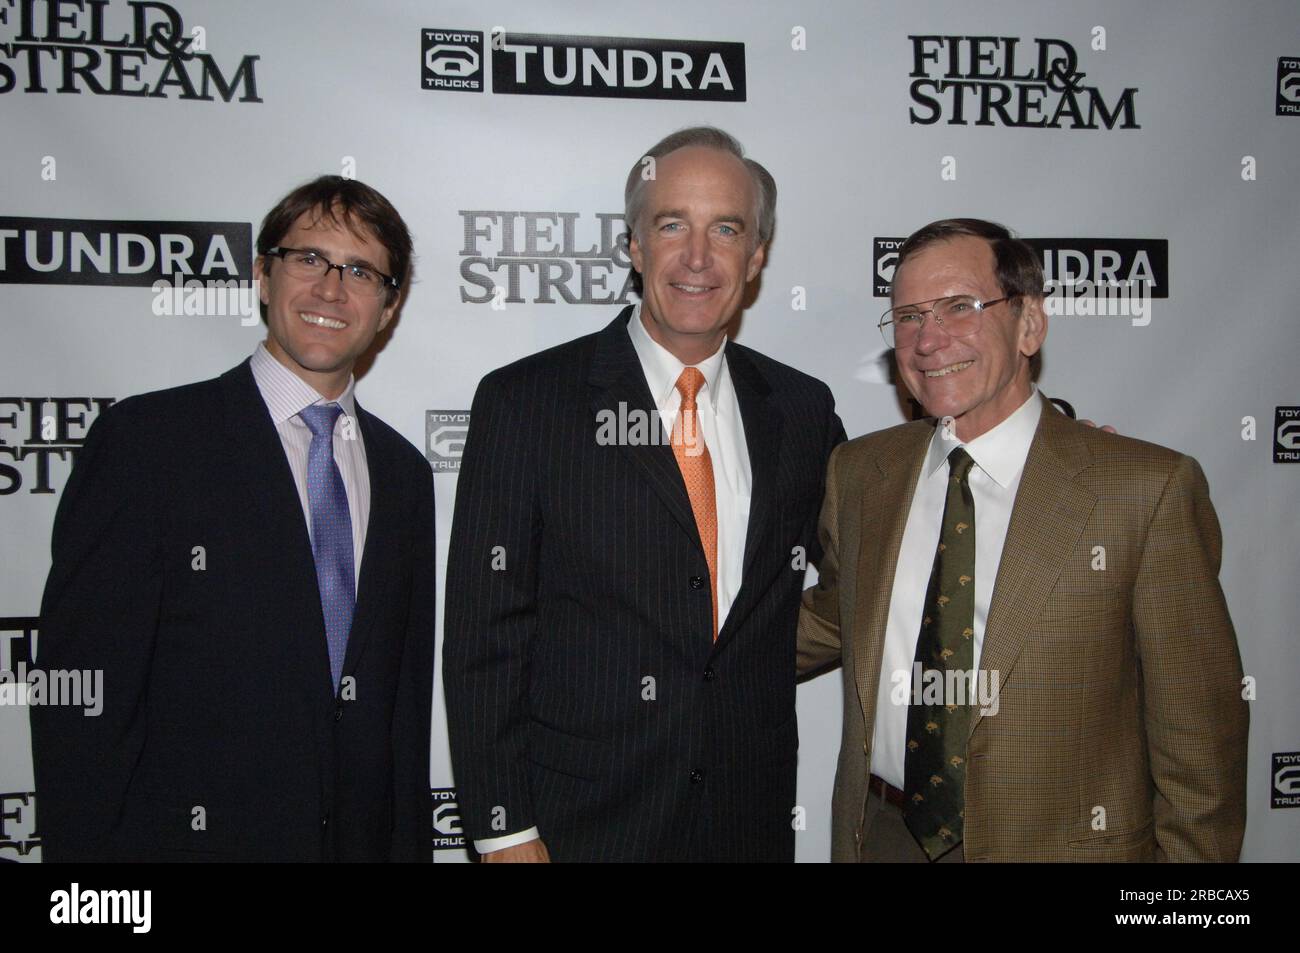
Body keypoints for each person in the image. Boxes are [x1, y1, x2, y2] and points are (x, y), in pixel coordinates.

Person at [443, 127, 845, 862]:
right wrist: (505, 829)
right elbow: (483, 634)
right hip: (580, 828)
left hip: (747, 822)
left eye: (726, 229)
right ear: (633, 245)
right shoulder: (527, 402)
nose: (698, 257)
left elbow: (880, 540)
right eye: (672, 226)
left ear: (756, 257)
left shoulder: (802, 408)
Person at [799, 218, 1248, 862]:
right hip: (883, 837)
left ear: (1029, 324)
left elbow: (1200, 744)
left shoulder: (1144, 490)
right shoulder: (863, 473)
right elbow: (829, 617)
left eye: (960, 307)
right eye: (907, 316)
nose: (929, 339)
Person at [31, 176, 435, 862]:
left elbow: (402, 715)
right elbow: (83, 699)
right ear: (262, 275)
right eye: (309, 258)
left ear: (389, 307)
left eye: (361, 271)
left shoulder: (404, 474)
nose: (331, 290)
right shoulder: (148, 443)